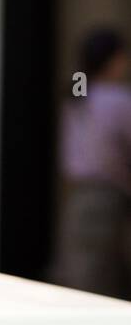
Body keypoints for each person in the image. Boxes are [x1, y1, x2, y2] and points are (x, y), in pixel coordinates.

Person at [54, 27, 131, 300]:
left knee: (81, 278)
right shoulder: (117, 100)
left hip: (77, 197)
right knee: (103, 283)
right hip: (106, 196)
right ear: (113, 60)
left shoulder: (77, 98)